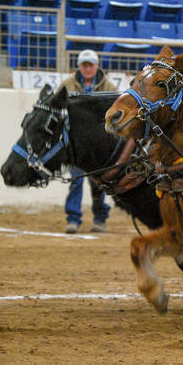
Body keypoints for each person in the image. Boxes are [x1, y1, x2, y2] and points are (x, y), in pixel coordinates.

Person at [57, 49, 116, 234]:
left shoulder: (108, 87)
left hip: (98, 146)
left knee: (98, 182)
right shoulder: (67, 85)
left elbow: (115, 112)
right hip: (76, 144)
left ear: (96, 66)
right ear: (79, 67)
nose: (87, 68)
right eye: (84, 65)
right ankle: (73, 219)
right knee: (76, 180)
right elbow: (57, 108)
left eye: (90, 65)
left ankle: (99, 218)